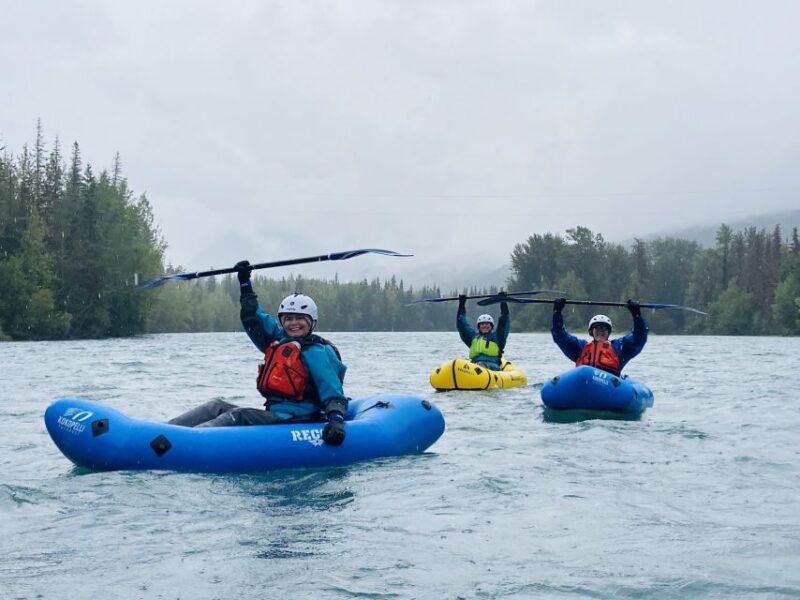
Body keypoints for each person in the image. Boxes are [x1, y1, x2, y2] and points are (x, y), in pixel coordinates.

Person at [168, 260, 348, 446]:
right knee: (215, 406)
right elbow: (254, 319)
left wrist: (336, 420)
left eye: (300, 318)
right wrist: (245, 283)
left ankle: (183, 444)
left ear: (312, 322)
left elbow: (332, 389)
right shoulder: (280, 341)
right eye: (288, 319)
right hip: (276, 415)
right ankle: (165, 431)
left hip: (298, 419)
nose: (293, 323)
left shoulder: (318, 351)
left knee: (239, 415)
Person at [551, 298, 648, 376]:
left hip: (609, 386)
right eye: (597, 328)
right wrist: (557, 312)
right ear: (591, 332)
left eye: (604, 329)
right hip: (583, 383)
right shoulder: (581, 347)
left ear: (608, 332)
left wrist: (637, 315)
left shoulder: (619, 347)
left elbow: (639, 338)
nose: (600, 331)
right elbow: (560, 336)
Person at [456, 292, 510, 370]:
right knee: (467, 364)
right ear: (479, 326)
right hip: (475, 365)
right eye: (482, 324)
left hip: (492, 365)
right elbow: (462, 325)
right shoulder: (473, 337)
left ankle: (480, 367)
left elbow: (504, 321)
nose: (484, 326)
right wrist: (461, 304)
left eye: (487, 324)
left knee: (481, 364)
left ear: (491, 326)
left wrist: (503, 302)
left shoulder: (498, 337)